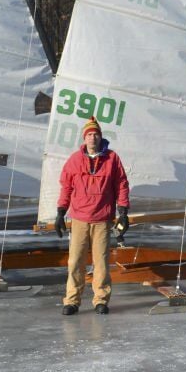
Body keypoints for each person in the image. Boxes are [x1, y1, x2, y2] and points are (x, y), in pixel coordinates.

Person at [56, 116, 129, 316]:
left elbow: (121, 185)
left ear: (100, 137)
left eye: (96, 134)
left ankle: (101, 300)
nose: (92, 138)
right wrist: (61, 212)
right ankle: (72, 301)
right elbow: (66, 187)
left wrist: (123, 212)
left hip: (102, 219)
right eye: (89, 134)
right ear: (84, 138)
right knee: (75, 261)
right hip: (79, 218)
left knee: (101, 263)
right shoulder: (75, 160)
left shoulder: (112, 158)